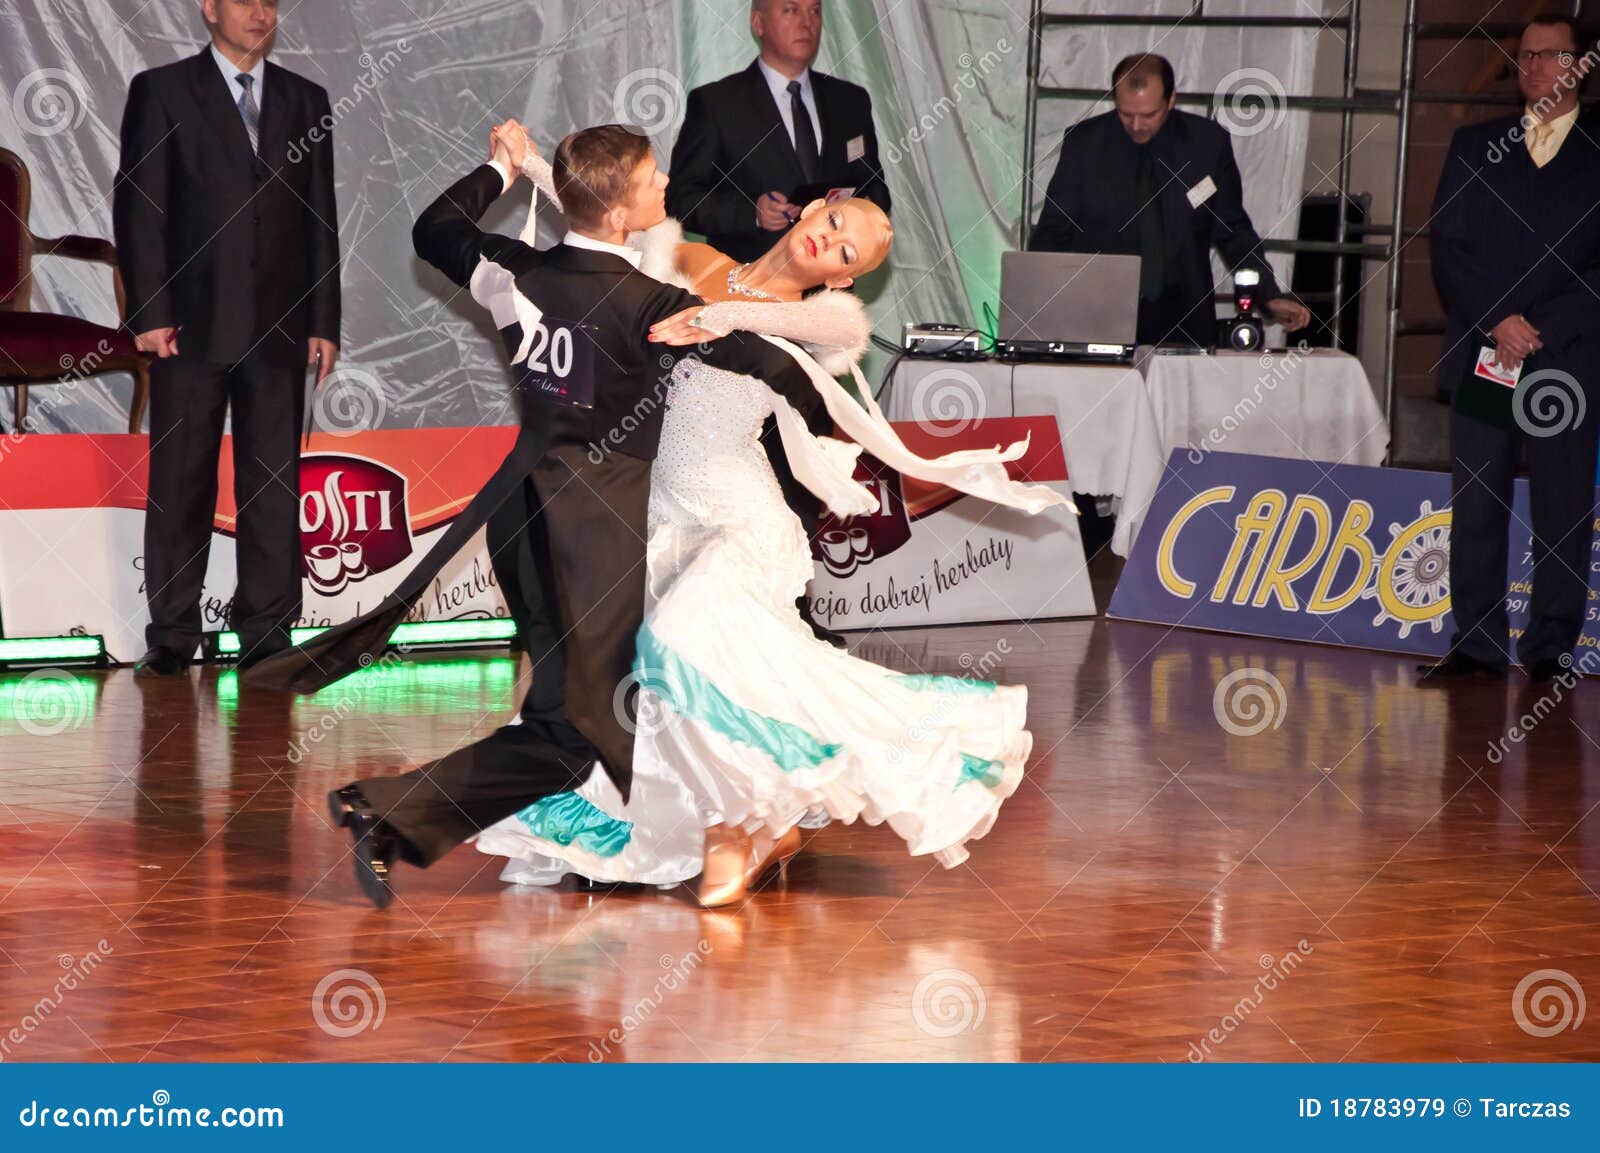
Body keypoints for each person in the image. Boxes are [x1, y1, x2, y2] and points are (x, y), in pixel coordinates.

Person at [470, 123, 1062, 907]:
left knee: (684, 643)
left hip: (737, 517)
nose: (832, 245)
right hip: (656, 513)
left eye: (851, 256)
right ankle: (749, 825)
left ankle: (729, 829)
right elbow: (600, 220)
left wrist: (722, 319)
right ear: (819, 206)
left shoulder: (826, 323)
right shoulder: (693, 259)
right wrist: (533, 164)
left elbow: (800, 327)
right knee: (637, 677)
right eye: (837, 224)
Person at [251, 123, 828, 909]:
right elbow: (773, 363)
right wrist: (790, 390)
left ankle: (391, 815)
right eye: (654, 178)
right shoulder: (649, 303)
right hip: (588, 536)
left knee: (567, 724)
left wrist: (501, 168)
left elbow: (433, 230)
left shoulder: (516, 267)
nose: (666, 187)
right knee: (593, 720)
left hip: (521, 520)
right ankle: (399, 809)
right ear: (622, 215)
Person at [113, 0, 340, 675]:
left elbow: (319, 217)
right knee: (182, 480)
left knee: (274, 484)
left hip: (280, 327)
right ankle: (173, 632)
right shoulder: (161, 91)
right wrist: (149, 309)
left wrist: (324, 319)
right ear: (209, 9)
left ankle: (268, 631)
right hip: (188, 324)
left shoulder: (306, 99)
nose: (260, 12)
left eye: (270, 2)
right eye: (244, 0)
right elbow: (140, 206)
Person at [1420, 16, 1600, 686]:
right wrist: (1498, 319)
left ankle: (1550, 649)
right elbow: (1449, 247)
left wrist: (1541, 324)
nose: (1533, 68)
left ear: (1580, 66)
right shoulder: (1475, 145)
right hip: (1488, 349)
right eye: (1524, 56)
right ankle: (1475, 644)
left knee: (1562, 503)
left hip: (1568, 356)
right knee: (1477, 499)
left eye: (1550, 56)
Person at [1030, 53, 1309, 347]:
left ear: (1171, 100)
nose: (1136, 125)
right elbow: (1054, 229)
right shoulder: (1085, 143)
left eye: (1148, 115)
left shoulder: (1206, 144)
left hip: (1183, 316)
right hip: (1098, 313)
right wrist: (1034, 303)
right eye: (1126, 113)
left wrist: (1268, 295)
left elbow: (1233, 230)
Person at [666, 0, 891, 265]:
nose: (807, 23)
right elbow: (681, 200)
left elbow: (875, 189)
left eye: (815, 11)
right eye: (791, 10)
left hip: (829, 288)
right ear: (758, 23)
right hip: (747, 285)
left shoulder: (850, 101)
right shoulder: (717, 104)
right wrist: (752, 212)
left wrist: (849, 207)